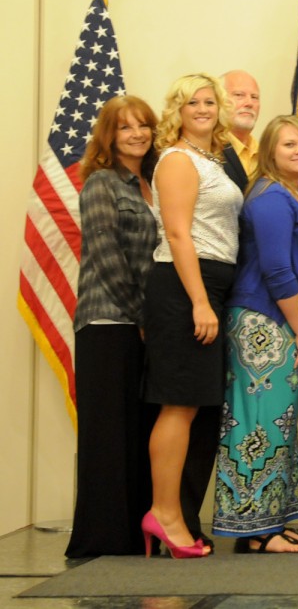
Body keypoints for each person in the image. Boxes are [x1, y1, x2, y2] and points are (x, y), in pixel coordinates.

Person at [142, 73, 243, 558]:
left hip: (210, 285)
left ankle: (171, 512)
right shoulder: (178, 159)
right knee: (177, 404)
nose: (201, 109)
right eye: (191, 102)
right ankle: (164, 514)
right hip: (185, 288)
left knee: (191, 405)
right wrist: (200, 301)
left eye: (209, 101)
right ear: (176, 111)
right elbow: (179, 235)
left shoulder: (213, 160)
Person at [212, 116, 298, 553]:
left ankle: (273, 520)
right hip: (264, 324)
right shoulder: (271, 198)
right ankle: (255, 532)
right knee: (258, 423)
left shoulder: (292, 194)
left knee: (280, 421)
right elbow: (277, 271)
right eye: (289, 144)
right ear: (270, 152)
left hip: (279, 323)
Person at [66, 96, 161, 558]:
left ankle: (134, 534)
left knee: (139, 431)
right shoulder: (101, 183)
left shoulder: (154, 183)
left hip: (146, 324)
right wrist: (142, 317)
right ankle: (101, 541)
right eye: (126, 128)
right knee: (108, 434)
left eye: (143, 126)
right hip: (108, 323)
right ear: (109, 135)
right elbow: (105, 257)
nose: (137, 134)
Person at [220, 70, 261, 191]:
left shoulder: (268, 154)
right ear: (219, 101)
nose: (249, 103)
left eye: (254, 97)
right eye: (239, 95)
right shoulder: (208, 151)